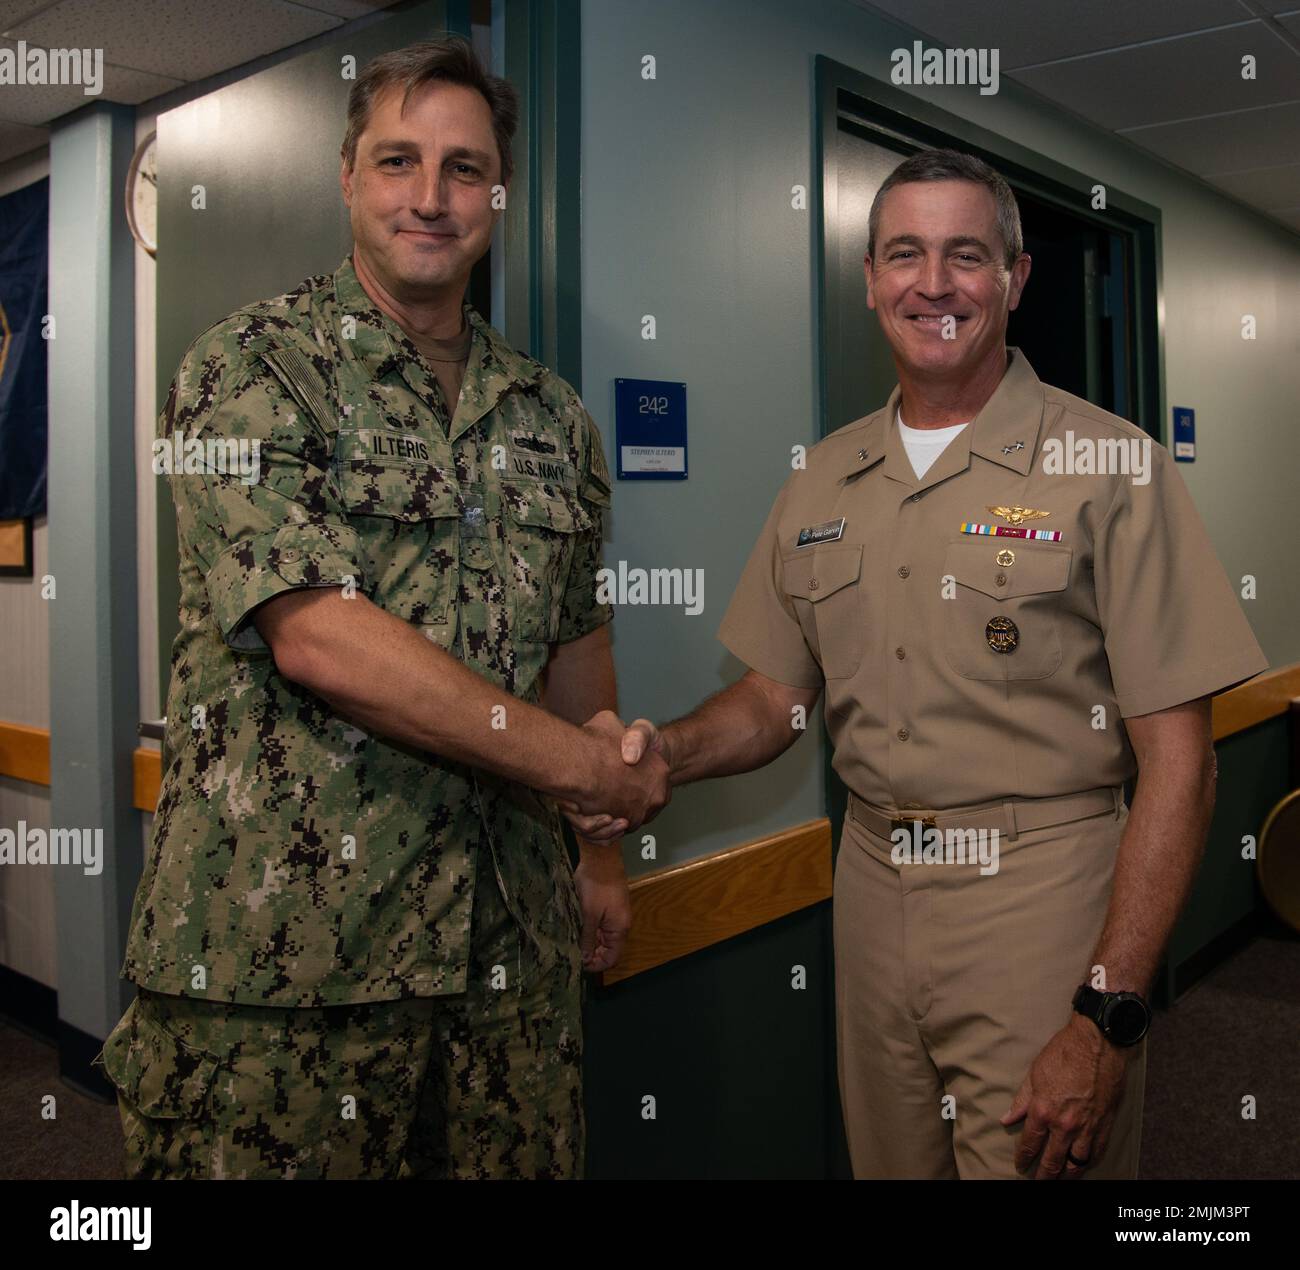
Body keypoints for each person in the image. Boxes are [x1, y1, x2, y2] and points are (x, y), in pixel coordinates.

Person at [568, 149, 1267, 1180]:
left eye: (965, 256)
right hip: (874, 890)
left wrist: (1106, 1008)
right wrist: (659, 751)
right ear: (868, 278)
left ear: (1016, 280)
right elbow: (774, 700)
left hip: (1039, 893)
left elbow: (1181, 763)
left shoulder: (1111, 469)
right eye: (904, 254)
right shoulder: (822, 480)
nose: (932, 284)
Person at [93, 36, 669, 1180]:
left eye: (464, 168)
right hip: (290, 974)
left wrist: (599, 854)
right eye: (398, 160)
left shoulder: (549, 415)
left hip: (507, 961)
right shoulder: (252, 368)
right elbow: (316, 633)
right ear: (347, 178)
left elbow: (575, 636)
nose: (430, 196)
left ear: (497, 194)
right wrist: (577, 766)